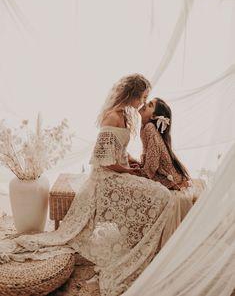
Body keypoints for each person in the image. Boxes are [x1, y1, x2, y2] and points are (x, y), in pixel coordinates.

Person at [0, 74, 174, 296]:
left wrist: (129, 159)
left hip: (116, 171)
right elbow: (104, 160)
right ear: (132, 94)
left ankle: (141, 240)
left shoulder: (124, 114)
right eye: (143, 96)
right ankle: (139, 244)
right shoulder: (112, 117)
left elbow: (117, 149)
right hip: (106, 177)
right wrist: (129, 171)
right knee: (159, 194)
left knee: (159, 193)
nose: (143, 101)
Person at [135, 97, 206, 225]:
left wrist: (138, 171)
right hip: (172, 180)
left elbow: (151, 164)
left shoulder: (149, 127)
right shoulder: (144, 128)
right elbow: (149, 158)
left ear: (154, 116)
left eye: (150, 104)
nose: (145, 104)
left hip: (174, 183)